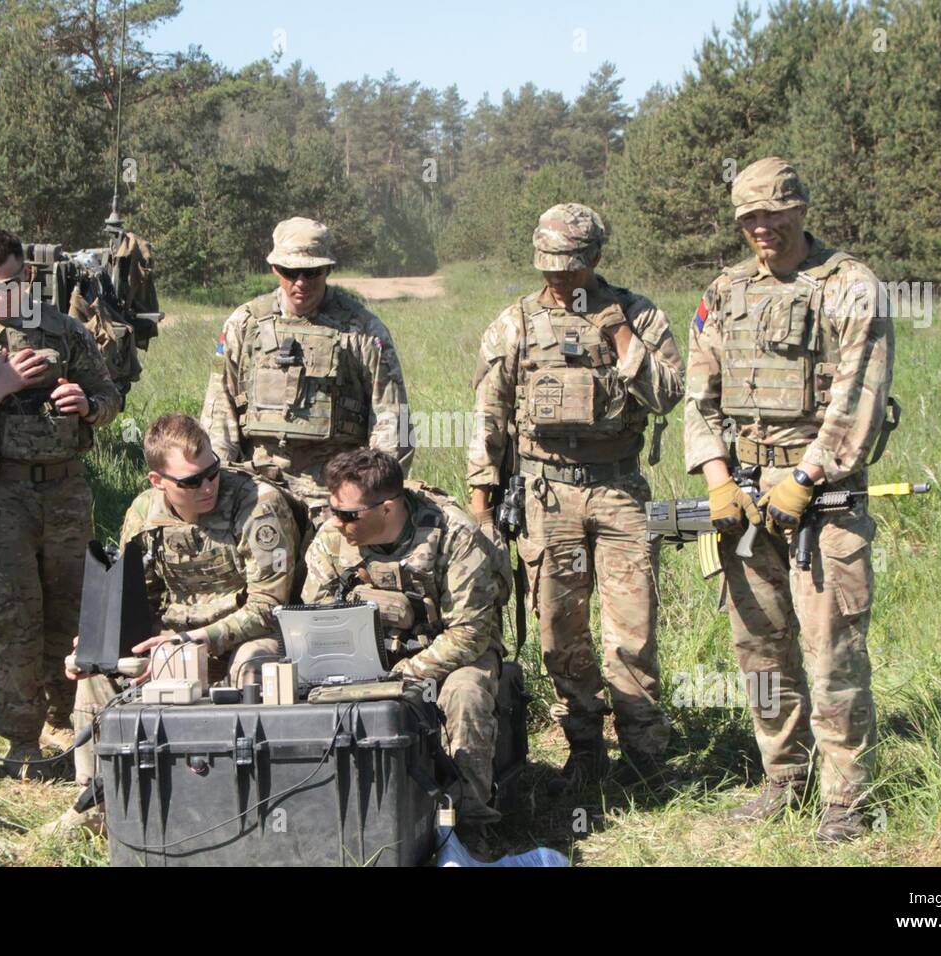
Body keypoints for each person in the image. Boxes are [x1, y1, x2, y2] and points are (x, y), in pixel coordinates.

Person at [683, 157, 895, 843]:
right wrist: (717, 475)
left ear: (801, 209)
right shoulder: (725, 290)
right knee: (759, 650)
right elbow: (699, 394)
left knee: (832, 651)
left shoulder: (850, 286)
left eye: (773, 214)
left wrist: (804, 480)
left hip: (822, 502)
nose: (761, 228)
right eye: (748, 218)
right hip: (744, 504)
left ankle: (847, 798)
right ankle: (784, 778)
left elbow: (857, 397)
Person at [468, 203, 684, 794]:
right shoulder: (516, 323)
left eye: (568, 266)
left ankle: (644, 756)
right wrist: (483, 505)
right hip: (547, 494)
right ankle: (585, 750)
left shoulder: (638, 316)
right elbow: (489, 414)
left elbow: (668, 395)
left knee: (632, 632)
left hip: (618, 492)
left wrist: (619, 335)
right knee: (561, 631)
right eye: (547, 266)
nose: (556, 279)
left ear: (594, 260)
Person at [0, 224, 121, 777]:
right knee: (13, 615)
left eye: (8, 285)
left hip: (65, 490)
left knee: (69, 607)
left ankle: (65, 720)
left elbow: (111, 397)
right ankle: (20, 741)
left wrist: (88, 403)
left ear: (27, 276)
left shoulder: (66, 332)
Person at [55, 413, 298, 832]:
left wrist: (190, 642)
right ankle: (97, 801)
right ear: (157, 481)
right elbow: (137, 598)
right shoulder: (143, 514)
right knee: (96, 672)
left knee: (255, 667)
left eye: (211, 472)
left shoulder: (258, 505)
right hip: (171, 639)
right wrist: (99, 642)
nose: (207, 487)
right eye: (190, 482)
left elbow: (268, 607)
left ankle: (248, 800)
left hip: (245, 637)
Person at [301, 448, 508, 828]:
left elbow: (470, 633)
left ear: (388, 508)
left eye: (349, 515)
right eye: (333, 510)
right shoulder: (332, 539)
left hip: (451, 654)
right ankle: (337, 815)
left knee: (466, 694)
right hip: (370, 657)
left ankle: (468, 823)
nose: (337, 522)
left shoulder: (455, 535)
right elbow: (317, 615)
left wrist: (402, 677)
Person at [199, 217, 413, 531]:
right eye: (290, 272)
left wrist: (369, 496)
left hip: (336, 488)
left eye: (311, 272)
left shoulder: (364, 331)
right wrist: (219, 482)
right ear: (275, 269)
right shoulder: (243, 324)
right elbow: (219, 410)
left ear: (327, 270)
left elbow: (395, 420)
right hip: (256, 481)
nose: (301, 282)